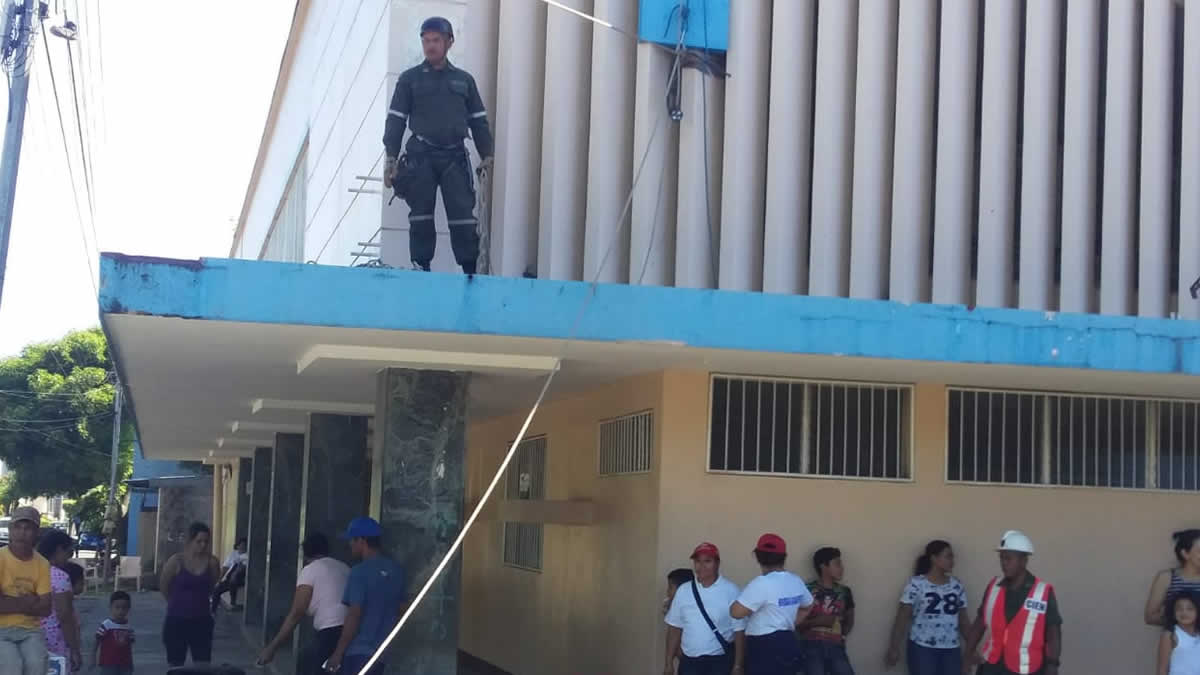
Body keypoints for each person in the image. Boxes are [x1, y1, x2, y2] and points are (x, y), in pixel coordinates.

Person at [383, 15, 494, 274]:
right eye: (426, 41)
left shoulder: (464, 81)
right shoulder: (410, 80)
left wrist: (487, 154)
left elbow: (478, 121)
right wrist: (390, 157)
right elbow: (396, 120)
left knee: (464, 219)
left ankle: (470, 272)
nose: (430, 46)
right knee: (420, 216)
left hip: (454, 157)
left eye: (436, 40)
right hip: (421, 157)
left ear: (449, 42)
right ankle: (421, 267)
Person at [962, 530, 1061, 675]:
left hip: (1026, 669)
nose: (1003, 563)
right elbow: (979, 624)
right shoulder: (993, 587)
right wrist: (967, 657)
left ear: (1023, 560)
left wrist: (1052, 666)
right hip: (992, 667)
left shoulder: (1043, 592)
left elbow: (1053, 633)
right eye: (1001, 558)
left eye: (1008, 559)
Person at [258, 532, 351, 674]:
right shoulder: (345, 567)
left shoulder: (310, 570)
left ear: (306, 555)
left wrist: (272, 647)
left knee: (306, 663)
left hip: (330, 631)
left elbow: (297, 612)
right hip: (352, 631)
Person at [325, 517, 406, 674]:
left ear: (362, 541)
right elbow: (402, 609)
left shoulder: (359, 572)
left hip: (358, 653)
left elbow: (354, 614)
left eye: (352, 540)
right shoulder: (397, 571)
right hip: (382, 654)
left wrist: (338, 653)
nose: (350, 545)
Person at [731, 534, 814, 675]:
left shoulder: (761, 583)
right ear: (784, 557)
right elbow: (808, 606)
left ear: (758, 557)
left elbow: (736, 612)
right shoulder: (795, 580)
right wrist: (789, 623)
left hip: (764, 646)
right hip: (788, 640)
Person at [885, 540, 969, 675]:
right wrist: (894, 647)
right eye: (948, 556)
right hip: (922, 648)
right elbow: (902, 618)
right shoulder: (916, 584)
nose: (952, 560)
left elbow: (964, 621)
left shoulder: (956, 585)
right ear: (934, 558)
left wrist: (972, 648)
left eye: (952, 556)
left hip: (951, 649)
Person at [664, 543, 746, 675]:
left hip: (720, 663)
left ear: (717, 564)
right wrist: (668, 664)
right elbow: (674, 629)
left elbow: (739, 631)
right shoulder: (683, 591)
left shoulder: (731, 590)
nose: (701, 566)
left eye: (707, 561)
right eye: (697, 561)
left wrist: (738, 666)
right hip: (689, 664)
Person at [158, 522, 220, 668]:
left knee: (203, 665)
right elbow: (164, 586)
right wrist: (176, 602)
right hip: (176, 621)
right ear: (190, 541)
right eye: (199, 541)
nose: (203, 545)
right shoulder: (176, 561)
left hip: (202, 621)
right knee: (176, 665)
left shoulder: (212, 562)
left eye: (206, 541)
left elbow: (212, 585)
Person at [0, 506, 52, 675]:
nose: (22, 532)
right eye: (18, 527)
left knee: (37, 665)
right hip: (1, 630)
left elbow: (46, 608)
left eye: (28, 528)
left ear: (37, 532)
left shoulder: (42, 564)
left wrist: (9, 601)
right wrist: (29, 601)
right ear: (10, 529)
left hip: (30, 631)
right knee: (11, 667)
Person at [798, 546, 855, 675]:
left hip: (836, 646)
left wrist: (842, 636)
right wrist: (818, 622)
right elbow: (796, 623)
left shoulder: (845, 592)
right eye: (837, 564)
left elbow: (850, 619)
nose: (842, 568)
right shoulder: (807, 589)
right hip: (811, 645)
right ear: (824, 566)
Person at [37, 529, 81, 671]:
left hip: (31, 640)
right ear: (59, 549)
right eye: (69, 553)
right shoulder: (59, 577)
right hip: (56, 643)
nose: (69, 558)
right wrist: (74, 649)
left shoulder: (31, 572)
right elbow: (64, 616)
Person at [1148, 530, 1200, 626]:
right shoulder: (1166, 578)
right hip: (1176, 639)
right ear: (1185, 554)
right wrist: (1184, 621)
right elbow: (1150, 617)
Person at [92, 591, 134, 675]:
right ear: (111, 607)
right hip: (108, 663)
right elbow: (97, 640)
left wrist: (131, 663)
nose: (121, 611)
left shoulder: (128, 627)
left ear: (129, 608)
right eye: (117, 607)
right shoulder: (106, 625)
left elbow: (129, 647)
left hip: (125, 664)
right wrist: (93, 655)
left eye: (124, 608)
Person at [211, 536, 248, 612]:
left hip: (240, 578)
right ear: (237, 545)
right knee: (216, 589)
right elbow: (225, 567)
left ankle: (232, 602)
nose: (242, 547)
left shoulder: (247, 555)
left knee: (238, 570)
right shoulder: (233, 554)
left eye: (244, 545)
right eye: (240, 545)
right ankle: (213, 611)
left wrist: (235, 574)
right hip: (229, 577)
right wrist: (219, 580)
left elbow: (243, 568)